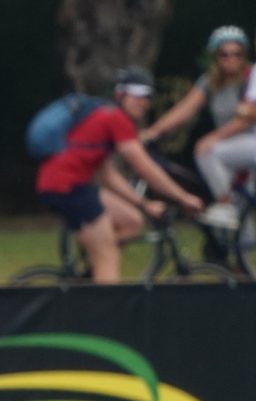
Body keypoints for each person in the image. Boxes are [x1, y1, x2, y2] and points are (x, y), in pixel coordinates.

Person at [37, 68, 204, 283]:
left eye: (147, 96)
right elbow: (143, 165)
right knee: (108, 255)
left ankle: (88, 272)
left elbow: (108, 176)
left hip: (68, 186)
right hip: (69, 188)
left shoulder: (101, 117)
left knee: (132, 221)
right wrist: (183, 197)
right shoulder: (115, 118)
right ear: (119, 95)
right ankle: (105, 309)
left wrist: (143, 204)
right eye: (136, 95)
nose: (142, 102)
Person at [140, 25, 256, 230]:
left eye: (237, 54)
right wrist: (154, 131)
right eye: (224, 54)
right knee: (239, 217)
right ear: (216, 57)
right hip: (232, 149)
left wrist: (213, 138)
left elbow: (247, 118)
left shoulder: (252, 77)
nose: (231, 59)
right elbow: (185, 109)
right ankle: (234, 256)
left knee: (205, 152)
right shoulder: (210, 82)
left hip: (249, 143)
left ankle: (225, 204)